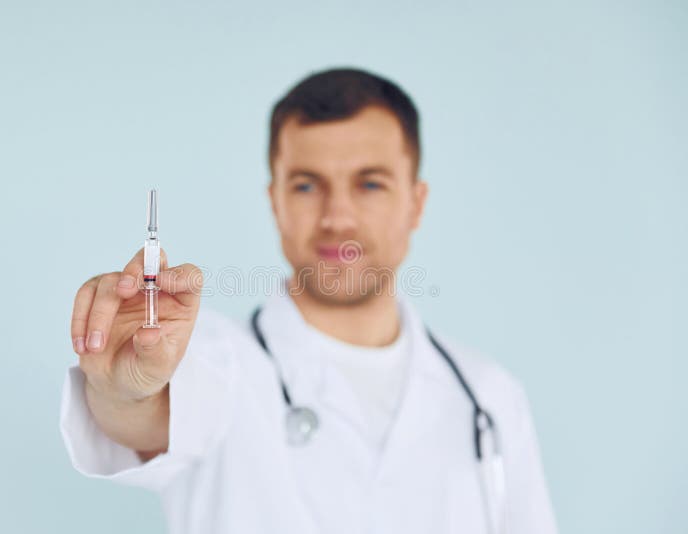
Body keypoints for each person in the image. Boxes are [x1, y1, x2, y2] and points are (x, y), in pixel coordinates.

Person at [60, 67, 558, 534]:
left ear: (416, 203)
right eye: (306, 185)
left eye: (370, 183)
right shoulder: (211, 359)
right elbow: (146, 416)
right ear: (276, 202)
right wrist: (126, 391)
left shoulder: (489, 397)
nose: (337, 217)